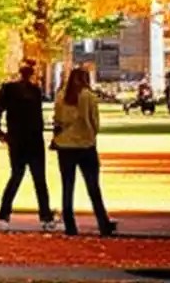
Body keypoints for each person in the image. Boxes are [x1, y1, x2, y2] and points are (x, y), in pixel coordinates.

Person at [51, 68, 117, 237]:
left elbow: (57, 120)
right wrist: (90, 134)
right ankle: (103, 223)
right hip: (85, 145)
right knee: (93, 187)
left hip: (65, 146)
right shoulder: (88, 96)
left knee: (68, 186)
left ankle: (70, 225)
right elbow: (95, 122)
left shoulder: (61, 96)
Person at [0, 58, 55, 232]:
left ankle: (5, 213)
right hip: (31, 139)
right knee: (38, 179)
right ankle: (45, 216)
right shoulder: (33, 91)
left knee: (17, 176)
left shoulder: (12, 89)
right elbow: (36, 116)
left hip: (19, 138)